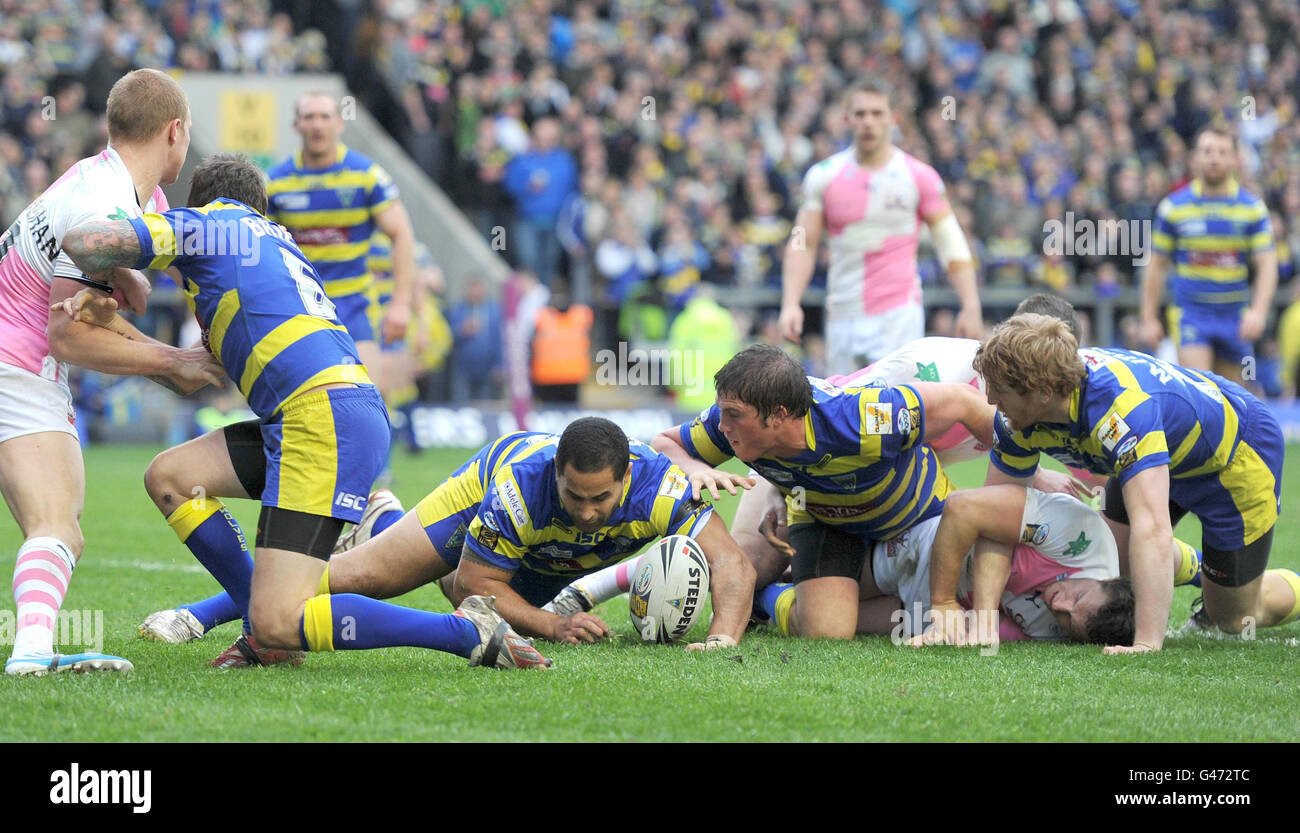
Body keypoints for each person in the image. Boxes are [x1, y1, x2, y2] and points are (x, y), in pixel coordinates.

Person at [58, 153, 550, 671]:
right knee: (172, 476)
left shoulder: (214, 222)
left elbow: (85, 243)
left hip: (318, 421)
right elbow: (197, 369)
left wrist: (106, 267)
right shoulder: (268, 246)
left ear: (201, 205)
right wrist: (115, 308)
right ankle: (263, 622)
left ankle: (464, 630)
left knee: (279, 619)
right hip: (324, 413)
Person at [140, 418, 756, 652]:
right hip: (475, 498)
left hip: (540, 555)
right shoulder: (521, 489)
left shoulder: (665, 490)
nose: (590, 511)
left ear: (628, 478)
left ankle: (382, 518)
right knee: (370, 578)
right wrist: (553, 625)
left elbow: (732, 565)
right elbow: (471, 592)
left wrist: (723, 639)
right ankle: (200, 613)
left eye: (603, 498)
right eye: (575, 496)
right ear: (557, 478)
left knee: (508, 600)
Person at [1, 69, 225, 676]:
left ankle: (34, 649)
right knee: (55, 522)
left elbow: (130, 285)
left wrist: (126, 281)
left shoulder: (115, 188)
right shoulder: (106, 203)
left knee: (61, 529)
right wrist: (175, 362)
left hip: (19, 361)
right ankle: (30, 655)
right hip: (16, 365)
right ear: (175, 132)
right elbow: (69, 332)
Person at [974, 313, 1300, 654]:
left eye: (1000, 389)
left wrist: (1145, 643)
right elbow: (994, 515)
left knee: (1235, 618)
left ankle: (1222, 590)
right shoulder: (1017, 418)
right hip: (1165, 452)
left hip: (1236, 458)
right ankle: (1201, 567)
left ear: (1042, 392)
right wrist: (982, 612)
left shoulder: (1119, 412)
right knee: (1115, 563)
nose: (991, 399)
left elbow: (1152, 529)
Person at [651, 343, 996, 640]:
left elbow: (963, 400)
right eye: (722, 412)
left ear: (778, 415)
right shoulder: (726, 422)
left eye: (734, 416)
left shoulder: (861, 417)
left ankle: (802, 585)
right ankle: (766, 597)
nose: (722, 426)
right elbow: (664, 443)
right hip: (825, 520)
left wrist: (1019, 469)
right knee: (826, 631)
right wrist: (697, 469)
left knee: (940, 603)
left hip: (917, 517)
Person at [778, 75, 983, 376]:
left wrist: (970, 303)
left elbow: (950, 242)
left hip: (899, 314)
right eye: (860, 114)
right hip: (843, 313)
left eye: (877, 113)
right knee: (843, 410)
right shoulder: (823, 176)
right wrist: (790, 302)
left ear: (894, 118)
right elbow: (803, 242)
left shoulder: (918, 176)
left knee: (900, 408)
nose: (868, 122)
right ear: (847, 118)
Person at [265, 92, 415, 385]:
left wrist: (400, 303)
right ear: (296, 125)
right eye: (309, 117)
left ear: (339, 124)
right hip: (301, 304)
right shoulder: (277, 182)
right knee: (303, 396)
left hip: (355, 304)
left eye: (325, 117)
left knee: (367, 394)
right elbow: (262, 248)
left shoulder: (366, 175)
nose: (317, 125)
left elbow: (402, 234)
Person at [1140, 124, 1277, 381]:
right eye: (1207, 151)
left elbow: (1267, 263)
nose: (1214, 158)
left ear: (1235, 159)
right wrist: (1148, 318)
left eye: (1222, 152)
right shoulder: (1174, 207)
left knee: (1232, 404)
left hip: (1235, 316)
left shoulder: (1252, 209)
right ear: (1195, 157)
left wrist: (1258, 311)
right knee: (1200, 393)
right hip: (1191, 314)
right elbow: (1157, 264)